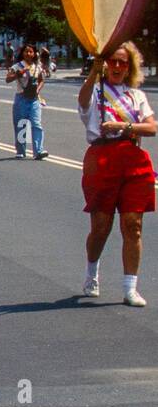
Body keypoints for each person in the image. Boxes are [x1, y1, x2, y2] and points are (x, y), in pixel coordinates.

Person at [77, 43, 155, 306]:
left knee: (133, 225)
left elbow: (152, 127)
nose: (118, 67)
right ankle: (91, 271)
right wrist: (93, 73)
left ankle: (130, 287)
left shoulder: (136, 96)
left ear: (129, 66)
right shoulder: (96, 91)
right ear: (104, 64)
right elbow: (82, 100)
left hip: (133, 160)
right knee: (101, 226)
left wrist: (124, 125)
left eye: (123, 62)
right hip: (101, 159)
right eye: (112, 61)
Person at [8, 42, 50, 160]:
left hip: (34, 99)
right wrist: (18, 74)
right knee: (21, 124)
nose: (28, 53)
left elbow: (42, 80)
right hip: (21, 97)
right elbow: (8, 79)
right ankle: (21, 150)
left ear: (34, 54)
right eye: (26, 51)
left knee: (36, 123)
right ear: (22, 53)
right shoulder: (17, 66)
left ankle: (38, 150)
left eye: (30, 51)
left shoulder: (37, 66)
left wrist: (37, 90)